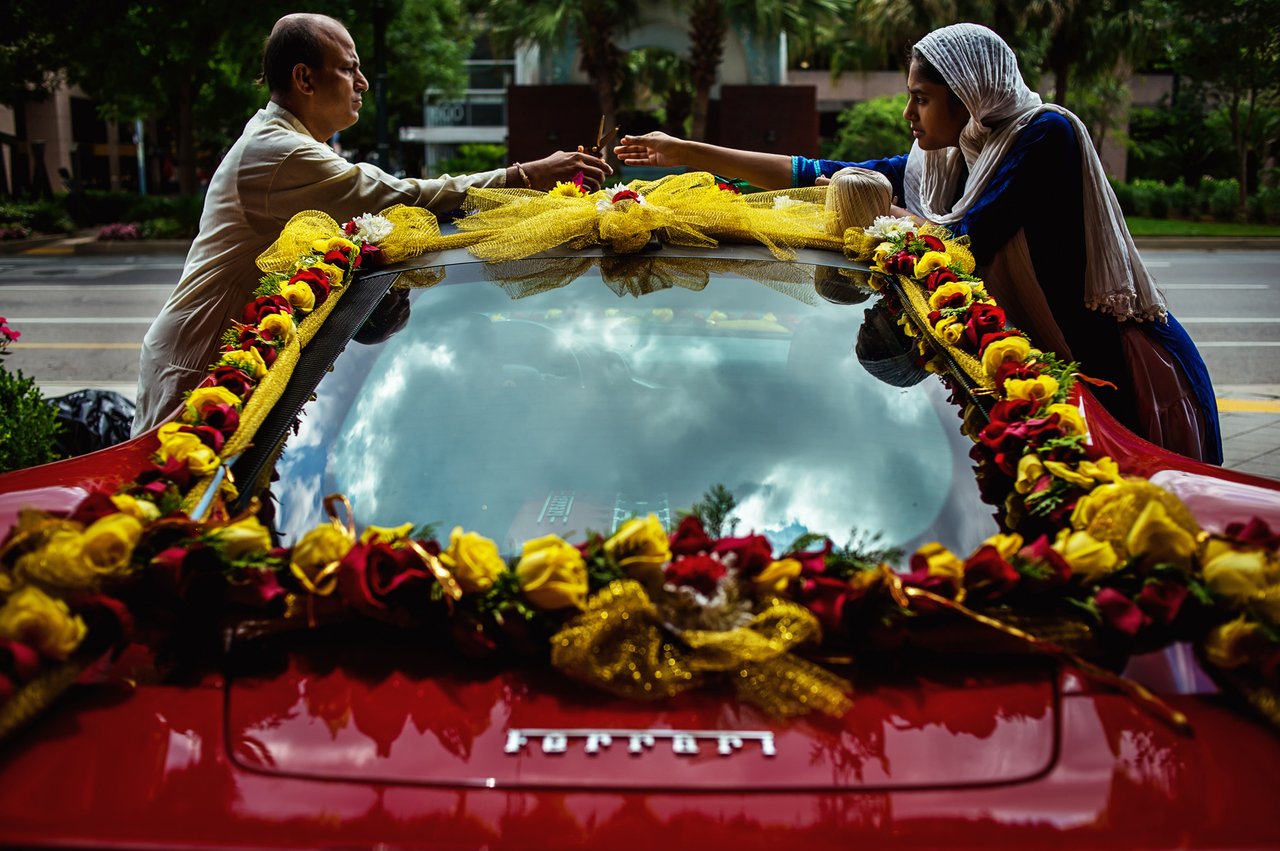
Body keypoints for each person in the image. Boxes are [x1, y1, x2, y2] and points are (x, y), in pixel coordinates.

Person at [615, 23, 1222, 464]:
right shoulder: (944, 160)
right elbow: (819, 172)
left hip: (1109, 368)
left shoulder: (1046, 134)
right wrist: (688, 151)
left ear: (970, 95)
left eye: (921, 98)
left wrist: (889, 219)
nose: (909, 113)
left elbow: (962, 242)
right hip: (1037, 370)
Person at [133, 12, 612, 435]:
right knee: (181, 516)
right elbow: (398, 196)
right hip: (198, 364)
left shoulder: (290, 141)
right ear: (304, 78)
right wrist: (521, 176)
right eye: (348, 68)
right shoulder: (280, 151)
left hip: (229, 363)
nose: (362, 83)